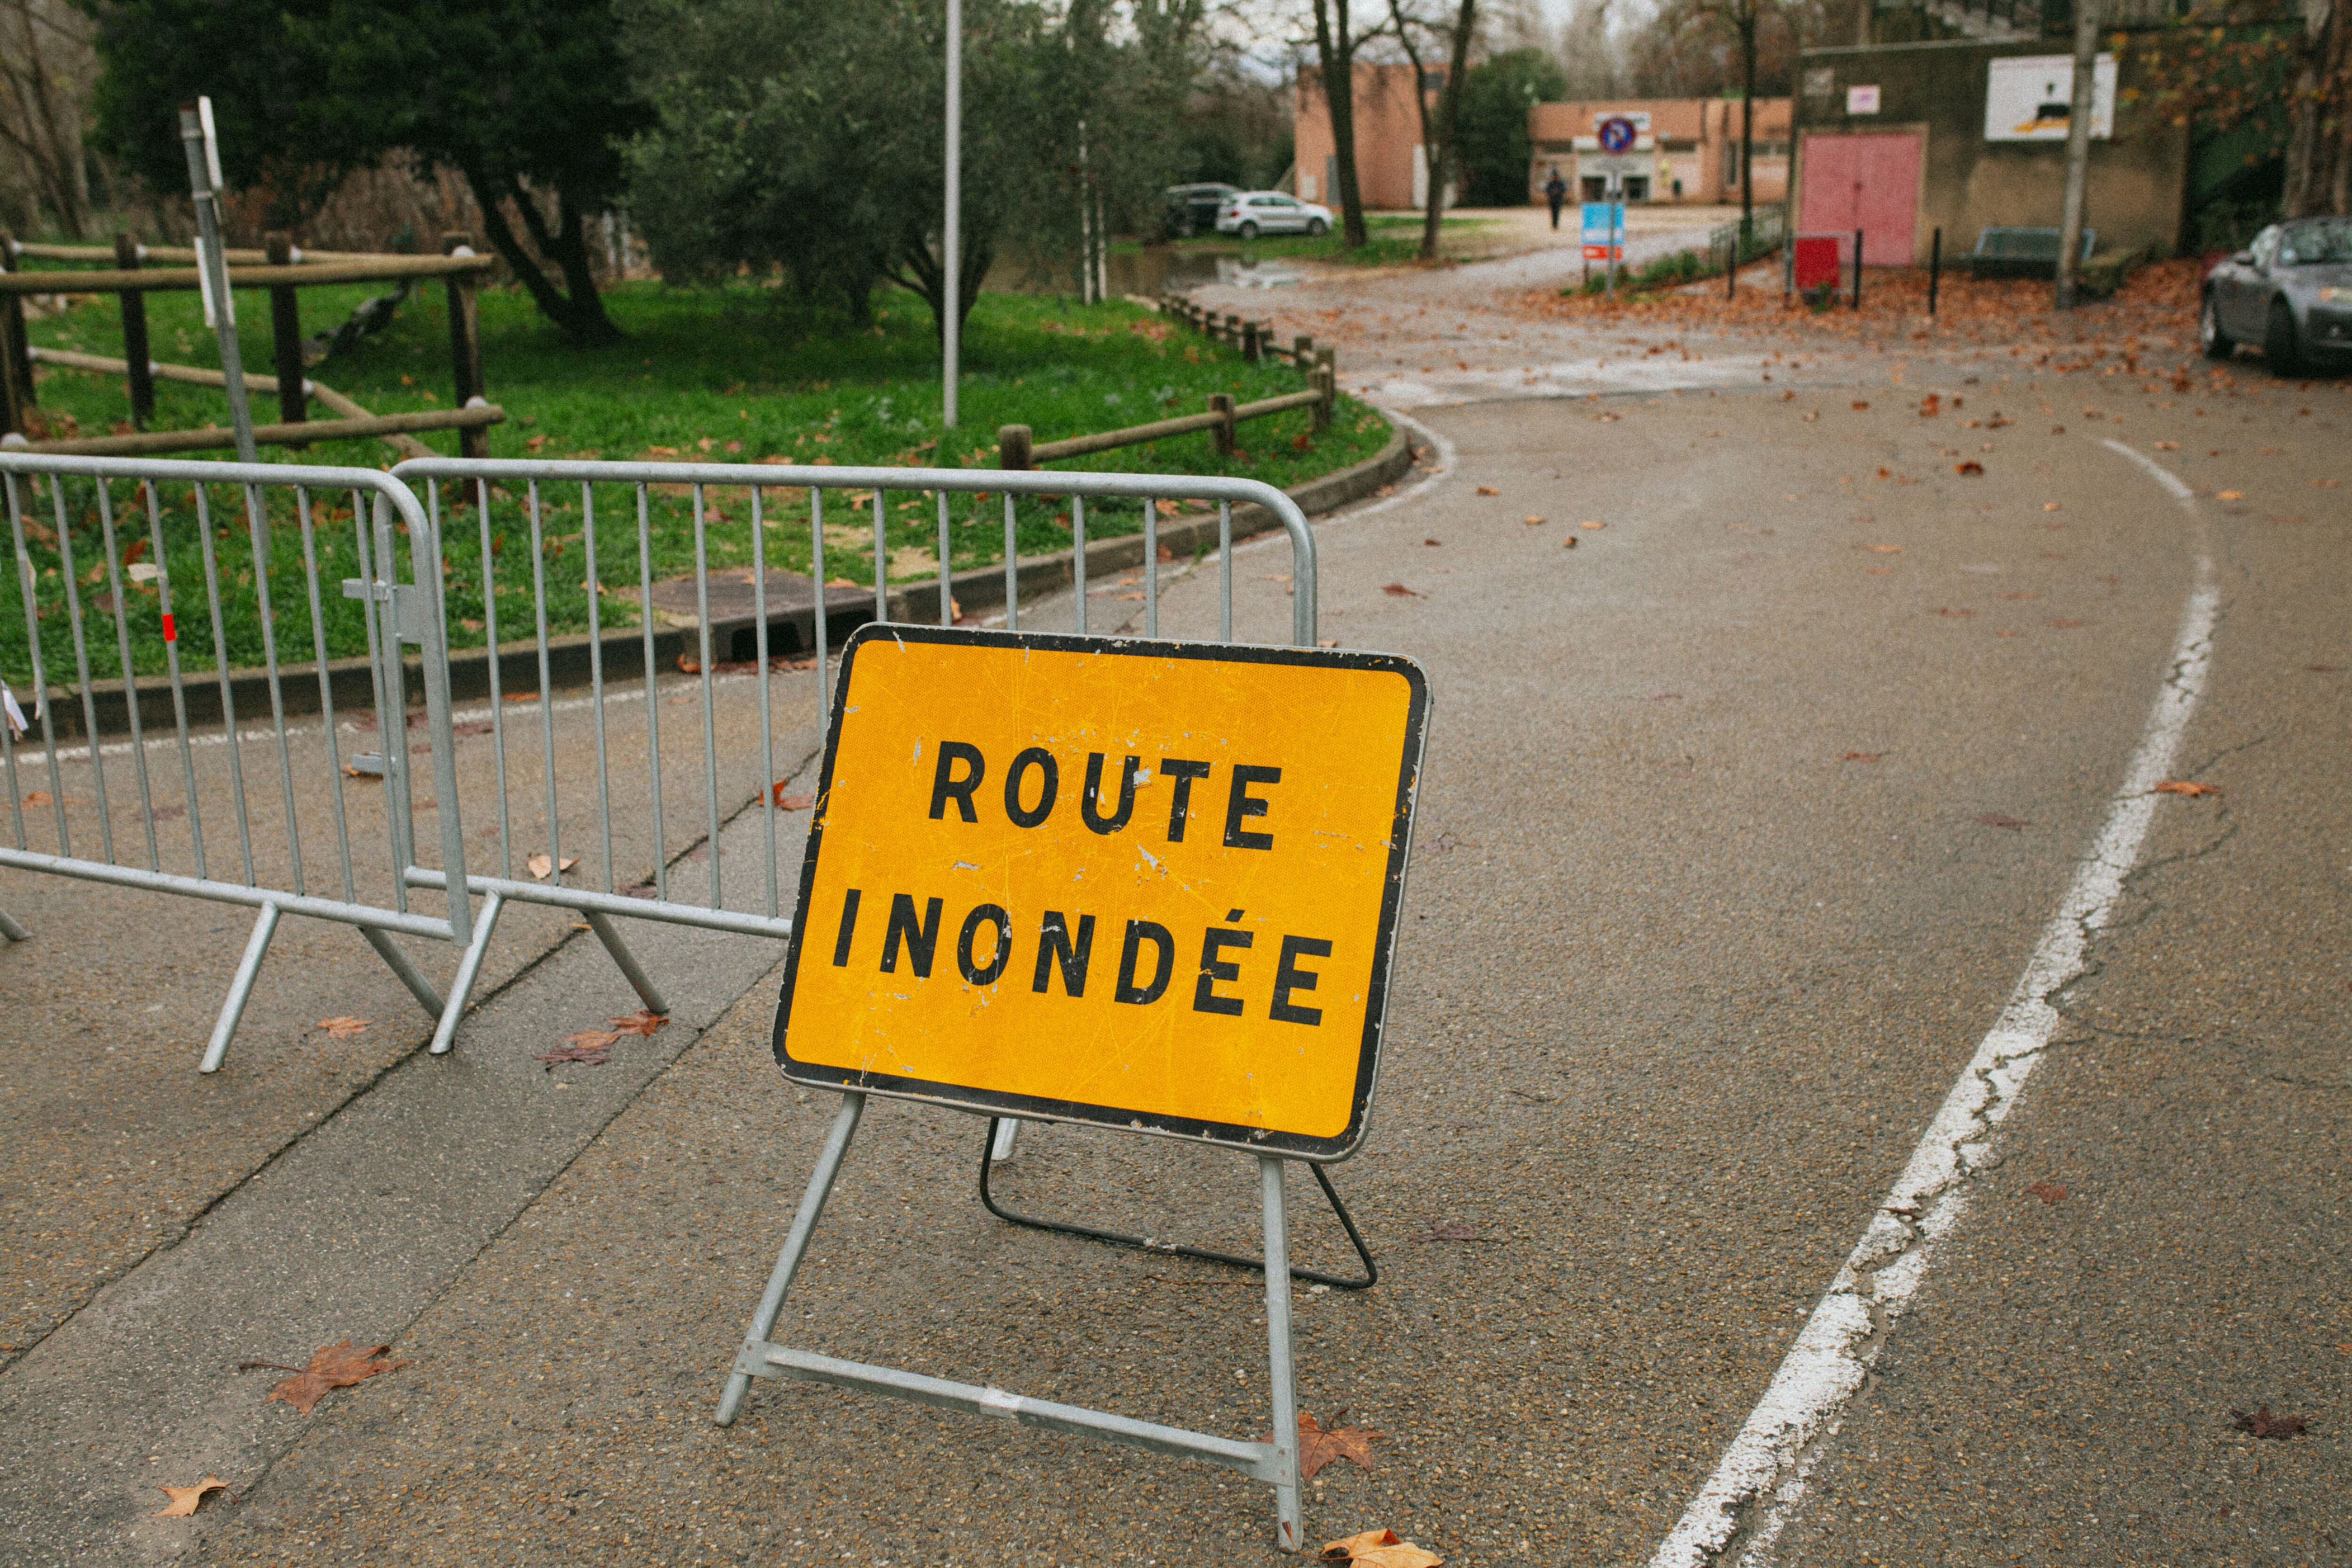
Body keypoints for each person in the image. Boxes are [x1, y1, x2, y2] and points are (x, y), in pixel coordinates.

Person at [1545, 166, 1568, 231]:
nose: (1555, 177)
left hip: (1558, 200)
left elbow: (1564, 190)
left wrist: (1558, 192)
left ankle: (1556, 226)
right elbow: (1547, 191)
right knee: (1552, 213)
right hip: (1552, 201)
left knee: (1557, 213)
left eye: (1556, 175)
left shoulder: (1561, 183)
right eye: (1554, 176)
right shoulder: (1550, 183)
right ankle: (1553, 225)